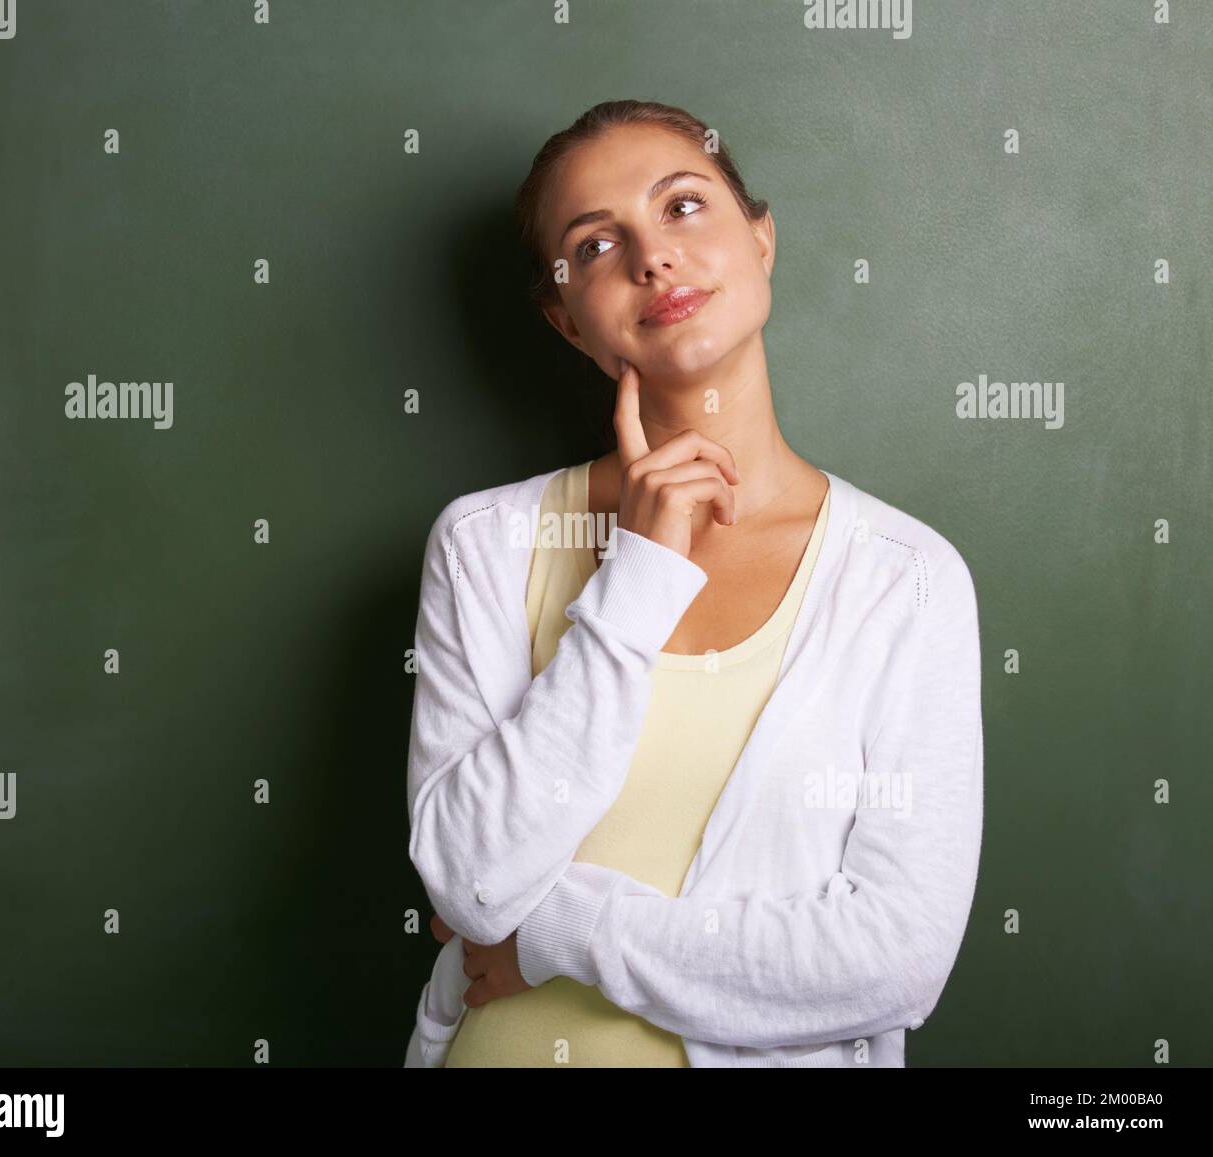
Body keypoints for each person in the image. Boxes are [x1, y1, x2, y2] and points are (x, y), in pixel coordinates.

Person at [404, 99, 983, 1068]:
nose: (651, 258)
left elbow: (893, 959)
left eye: (682, 206)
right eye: (594, 246)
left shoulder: (905, 579)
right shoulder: (485, 544)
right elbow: (467, 884)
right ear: (564, 319)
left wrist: (551, 931)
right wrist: (639, 578)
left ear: (760, 238)